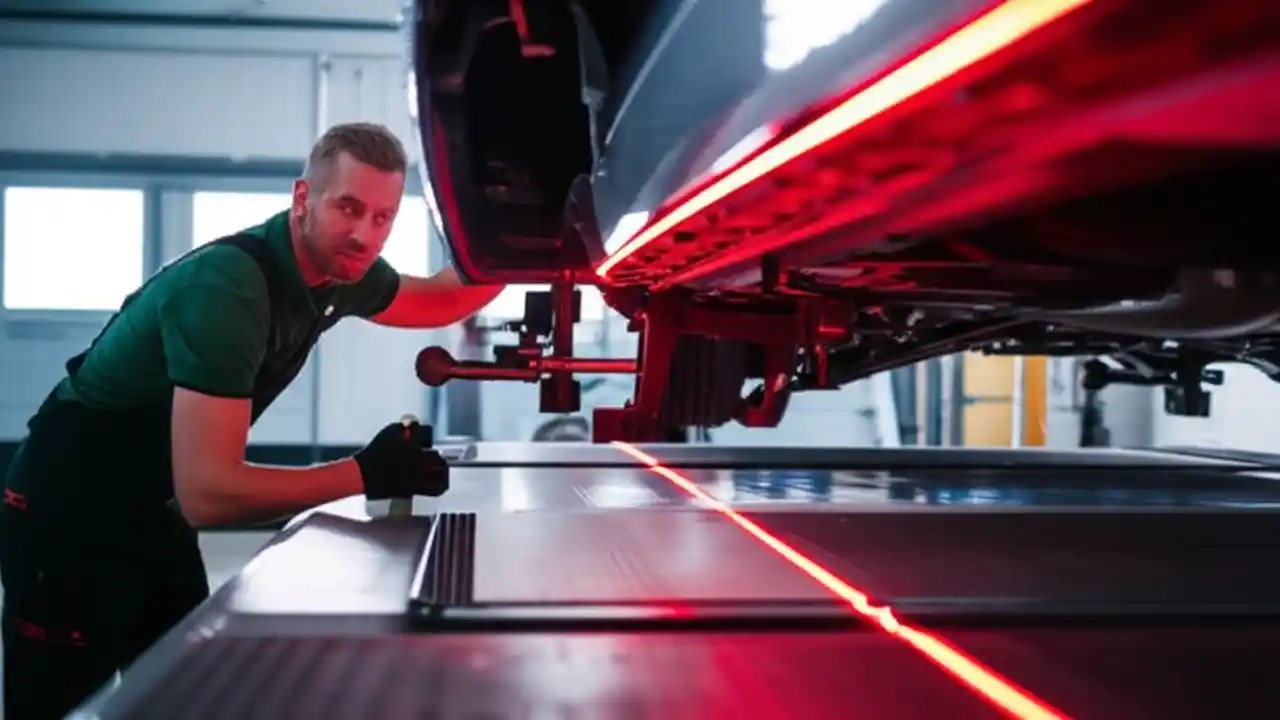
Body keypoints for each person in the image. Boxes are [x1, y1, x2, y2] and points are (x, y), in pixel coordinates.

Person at [0, 122, 504, 719]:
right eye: (349, 208)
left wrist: (528, 245)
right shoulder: (230, 289)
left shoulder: (341, 274)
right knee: (58, 705)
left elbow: (441, 299)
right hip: (72, 506)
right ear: (302, 200)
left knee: (179, 692)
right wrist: (366, 473)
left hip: (155, 502)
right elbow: (210, 496)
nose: (365, 235)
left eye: (383, 217)